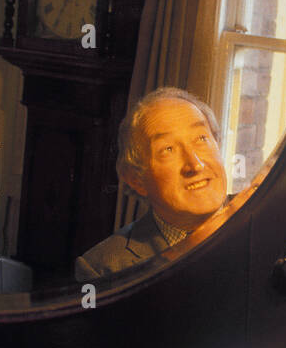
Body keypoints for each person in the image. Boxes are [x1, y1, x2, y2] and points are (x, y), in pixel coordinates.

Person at [75, 87, 228, 280]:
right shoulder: (104, 269)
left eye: (201, 138)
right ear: (136, 179)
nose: (195, 165)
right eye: (168, 149)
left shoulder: (268, 217)